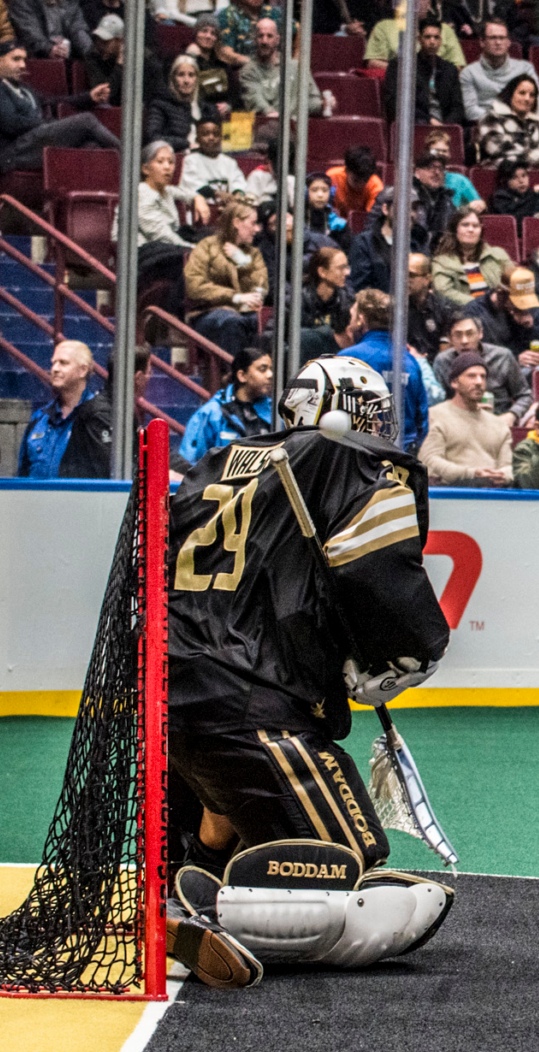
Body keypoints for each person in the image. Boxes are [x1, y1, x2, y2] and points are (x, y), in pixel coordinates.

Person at [164, 355, 452, 990]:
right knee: (353, 870)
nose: (377, 429)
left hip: (168, 705)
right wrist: (412, 649)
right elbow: (374, 568)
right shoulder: (337, 457)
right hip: (252, 707)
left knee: (243, 813)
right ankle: (204, 913)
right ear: (337, 412)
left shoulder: (217, 462)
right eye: (371, 413)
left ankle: (200, 861)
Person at [0, 38, 117, 172]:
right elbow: (13, 125)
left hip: (30, 144)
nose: (22, 65)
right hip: (10, 154)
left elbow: (53, 102)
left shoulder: (24, 89)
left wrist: (88, 97)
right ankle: (132, 161)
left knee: (90, 145)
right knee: (86, 120)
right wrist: (46, 124)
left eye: (24, 60)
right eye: (16, 59)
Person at [343, 289, 432, 453]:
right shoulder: (409, 360)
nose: (350, 324)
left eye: (352, 317)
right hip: (402, 457)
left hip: (359, 457)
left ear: (361, 320)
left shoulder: (348, 358)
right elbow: (422, 421)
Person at [184, 204, 267, 363]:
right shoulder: (206, 247)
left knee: (267, 323)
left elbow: (261, 286)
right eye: (252, 223)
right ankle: (234, 378)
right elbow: (195, 286)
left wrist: (244, 263)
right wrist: (235, 297)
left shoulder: (253, 253)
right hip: (206, 314)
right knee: (232, 322)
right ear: (236, 222)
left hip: (244, 313)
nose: (257, 229)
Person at [15, 340, 108, 478]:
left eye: (63, 363)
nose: (55, 369)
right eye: (53, 363)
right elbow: (23, 472)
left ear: (83, 370)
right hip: (37, 499)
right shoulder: (39, 418)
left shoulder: (97, 417)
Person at [418, 350, 512, 487]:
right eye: (471, 376)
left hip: (492, 496)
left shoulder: (499, 424)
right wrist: (471, 474)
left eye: (483, 376)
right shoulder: (435, 415)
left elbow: (508, 467)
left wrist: (503, 475)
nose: (479, 382)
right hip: (450, 494)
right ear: (455, 382)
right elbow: (429, 461)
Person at [177, 345, 275, 467]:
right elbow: (190, 463)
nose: (270, 374)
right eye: (262, 369)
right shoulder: (212, 413)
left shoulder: (274, 412)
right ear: (242, 376)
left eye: (270, 369)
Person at [380, 20, 465, 128]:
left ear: (440, 41)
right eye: (427, 37)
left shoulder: (449, 69)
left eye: (436, 37)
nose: (432, 42)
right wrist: (429, 120)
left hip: (446, 127)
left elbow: (458, 107)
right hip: (415, 125)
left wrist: (446, 126)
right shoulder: (401, 66)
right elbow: (395, 104)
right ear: (419, 39)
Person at [459, 19, 539, 124]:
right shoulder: (469, 72)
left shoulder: (525, 69)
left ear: (508, 42)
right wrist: (505, 120)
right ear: (482, 42)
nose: (498, 42)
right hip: (485, 127)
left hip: (522, 126)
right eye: (493, 38)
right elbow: (470, 112)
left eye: (502, 38)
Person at [429, 207, 513, 311]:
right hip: (463, 314)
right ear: (455, 229)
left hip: (499, 314)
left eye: (476, 226)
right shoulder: (442, 262)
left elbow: (514, 281)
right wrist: (483, 305)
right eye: (465, 225)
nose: (471, 230)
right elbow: (444, 292)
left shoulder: (497, 254)